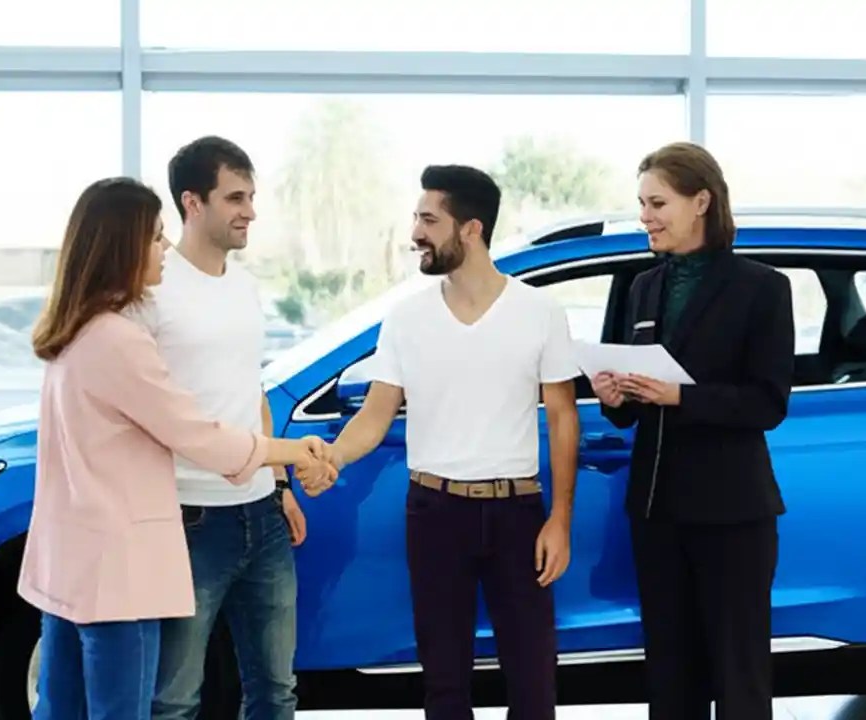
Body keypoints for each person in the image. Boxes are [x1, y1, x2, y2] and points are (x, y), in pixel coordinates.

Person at [19, 176, 331, 720]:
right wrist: (295, 451)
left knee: (60, 708)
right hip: (118, 570)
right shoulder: (119, 339)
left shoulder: (72, 332)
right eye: (154, 236)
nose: (163, 248)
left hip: (72, 564)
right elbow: (197, 436)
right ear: (121, 248)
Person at [300, 165, 582, 720]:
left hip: (517, 512)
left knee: (532, 681)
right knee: (444, 683)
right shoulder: (406, 318)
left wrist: (561, 520)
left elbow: (564, 417)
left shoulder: (539, 312)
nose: (415, 235)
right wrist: (330, 455)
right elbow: (375, 416)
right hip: (434, 513)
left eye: (429, 220)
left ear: (470, 229)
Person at [590, 141, 794, 720]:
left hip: (732, 514)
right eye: (642, 203)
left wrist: (683, 396)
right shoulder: (643, 288)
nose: (645, 217)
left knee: (738, 673)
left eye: (657, 203)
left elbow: (768, 402)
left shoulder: (762, 287)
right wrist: (614, 399)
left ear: (701, 200)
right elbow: (633, 404)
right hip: (657, 512)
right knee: (669, 675)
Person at [134, 136, 310, 720]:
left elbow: (248, 389)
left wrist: (281, 484)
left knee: (275, 691)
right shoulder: (152, 287)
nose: (250, 211)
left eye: (252, 197)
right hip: (189, 520)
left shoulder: (245, 285)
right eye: (236, 197)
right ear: (192, 202)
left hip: (262, 515)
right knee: (175, 700)